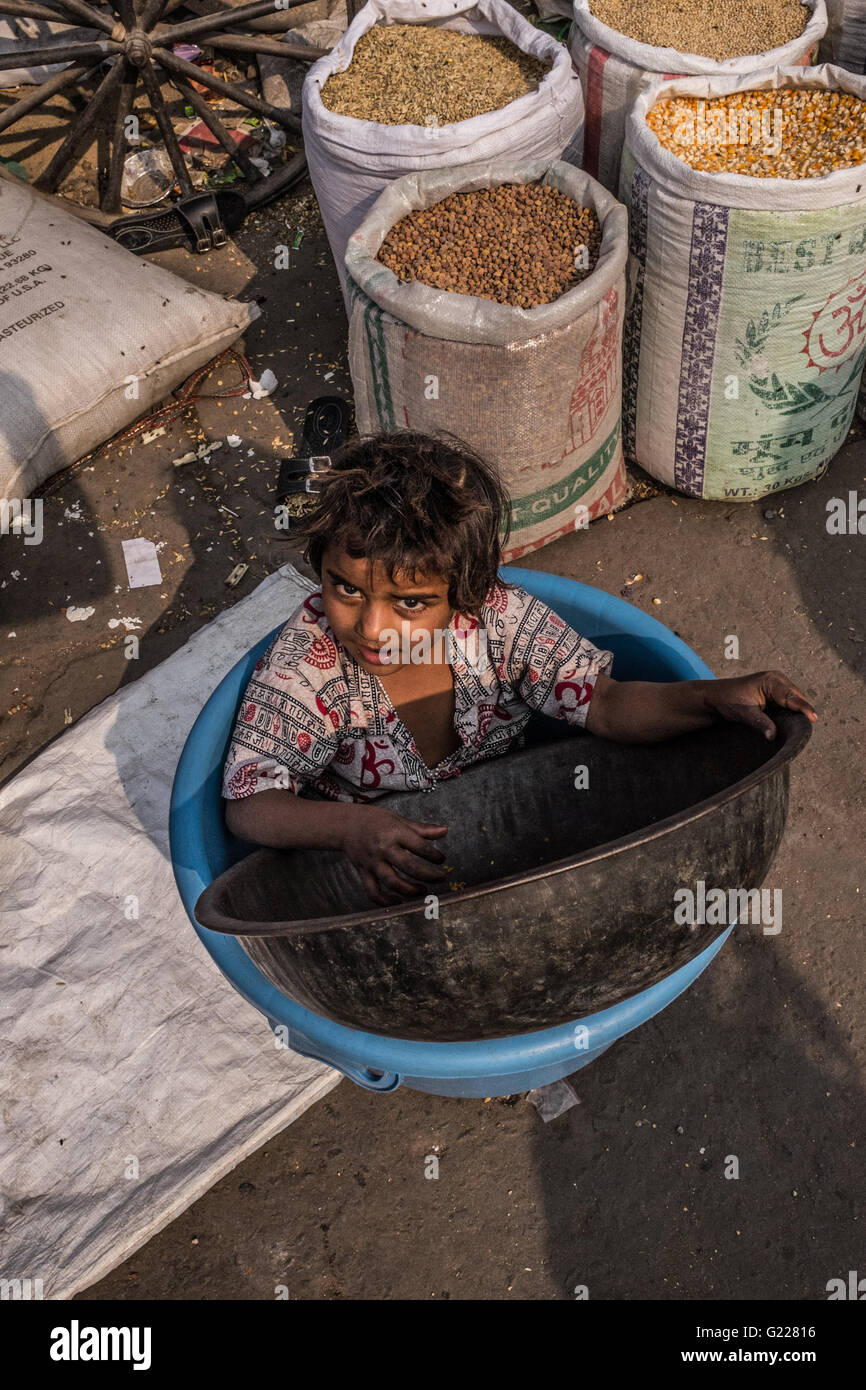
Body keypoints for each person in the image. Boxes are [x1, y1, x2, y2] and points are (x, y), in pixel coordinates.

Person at [223, 431, 817, 905]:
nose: (373, 628)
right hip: (377, 863)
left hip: (510, 818)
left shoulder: (500, 622)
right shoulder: (307, 667)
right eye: (345, 589)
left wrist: (709, 697)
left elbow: (604, 703)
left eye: (410, 603)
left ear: (466, 592)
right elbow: (251, 805)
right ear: (319, 568)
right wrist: (349, 832)